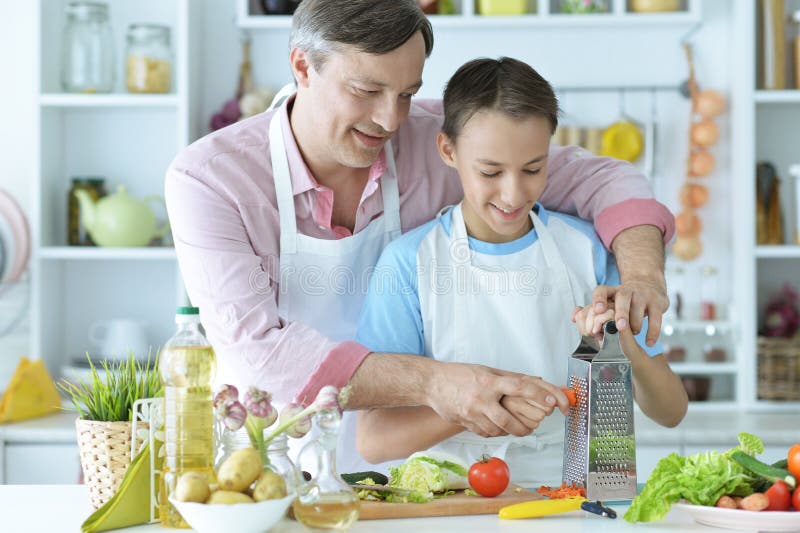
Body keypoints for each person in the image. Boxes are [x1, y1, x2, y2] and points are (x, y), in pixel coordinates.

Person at [164, 0, 675, 473]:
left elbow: (604, 179)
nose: (390, 119)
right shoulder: (211, 180)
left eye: (406, 93)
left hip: (416, 473)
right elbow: (261, 358)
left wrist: (643, 275)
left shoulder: (443, 140)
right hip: (271, 458)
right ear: (303, 67)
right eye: (367, 91)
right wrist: (439, 384)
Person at [354, 57, 687, 484]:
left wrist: (623, 343)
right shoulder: (408, 264)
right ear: (448, 151)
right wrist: (479, 405)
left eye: (533, 169)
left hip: (577, 498)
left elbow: (671, 411)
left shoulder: (587, 250)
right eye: (490, 171)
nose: (513, 194)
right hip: (454, 497)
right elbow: (374, 439)